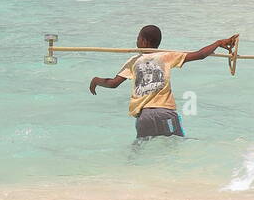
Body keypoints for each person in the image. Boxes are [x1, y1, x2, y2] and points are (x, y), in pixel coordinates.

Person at [88, 25, 237, 139]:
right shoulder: (166, 56)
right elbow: (200, 54)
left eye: (138, 38)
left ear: (144, 41)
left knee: (141, 148)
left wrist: (96, 81)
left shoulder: (133, 61)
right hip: (166, 113)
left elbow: (113, 83)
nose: (136, 41)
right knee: (175, 145)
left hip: (144, 117)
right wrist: (218, 43)